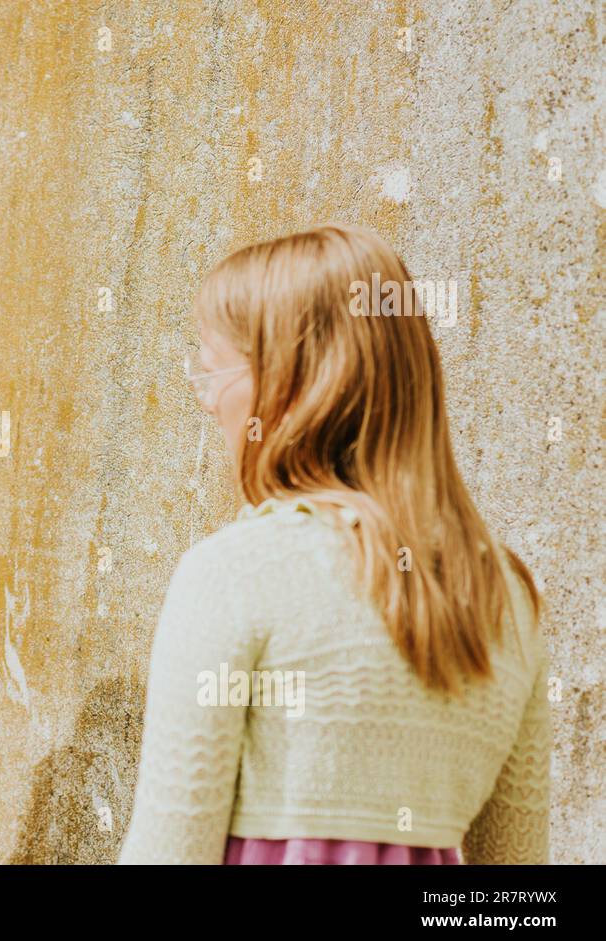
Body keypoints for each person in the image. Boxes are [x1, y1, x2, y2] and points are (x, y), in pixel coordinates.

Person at [118, 224, 549, 865]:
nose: (207, 401)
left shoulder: (235, 574)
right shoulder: (505, 597)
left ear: (286, 385)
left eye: (211, 370)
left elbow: (170, 849)